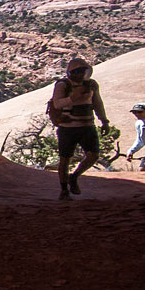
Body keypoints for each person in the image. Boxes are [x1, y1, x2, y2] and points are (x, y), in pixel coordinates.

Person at [47, 56, 110, 200]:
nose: (80, 74)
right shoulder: (63, 85)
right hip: (67, 127)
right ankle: (64, 190)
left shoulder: (92, 85)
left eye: (82, 71)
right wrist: (73, 97)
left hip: (87, 125)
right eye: (77, 72)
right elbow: (57, 104)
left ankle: (74, 176)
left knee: (93, 155)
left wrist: (104, 121)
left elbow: (97, 102)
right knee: (65, 159)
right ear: (70, 73)